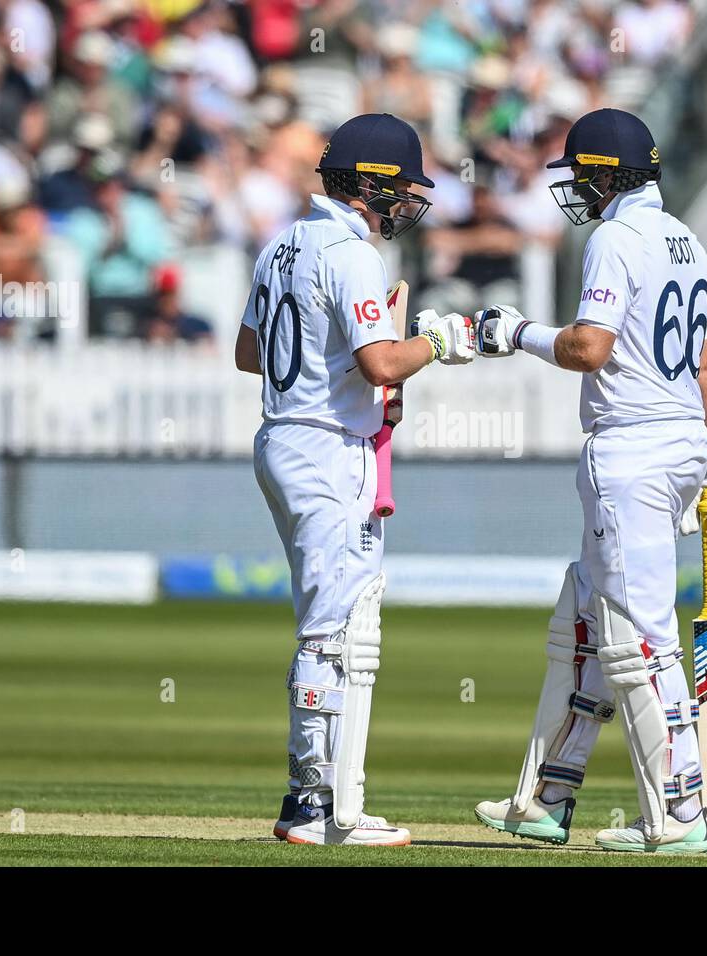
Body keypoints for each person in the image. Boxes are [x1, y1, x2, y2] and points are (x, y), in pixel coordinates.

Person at [469, 109, 707, 854]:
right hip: (682, 442)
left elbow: (589, 348)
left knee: (641, 640)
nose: (575, 189)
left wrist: (512, 333)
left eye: (581, 174)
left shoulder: (615, 239)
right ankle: (548, 796)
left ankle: (681, 814)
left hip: (631, 451)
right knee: (585, 624)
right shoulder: (688, 242)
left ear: (604, 174)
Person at [234, 113, 475, 847]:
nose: (408, 202)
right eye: (401, 188)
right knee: (330, 628)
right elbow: (381, 365)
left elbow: (250, 353)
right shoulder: (350, 252)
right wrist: (436, 341)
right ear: (368, 186)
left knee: (346, 621)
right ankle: (309, 804)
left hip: (284, 435)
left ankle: (338, 800)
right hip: (326, 448)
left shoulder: (282, 242)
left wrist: (338, 363)